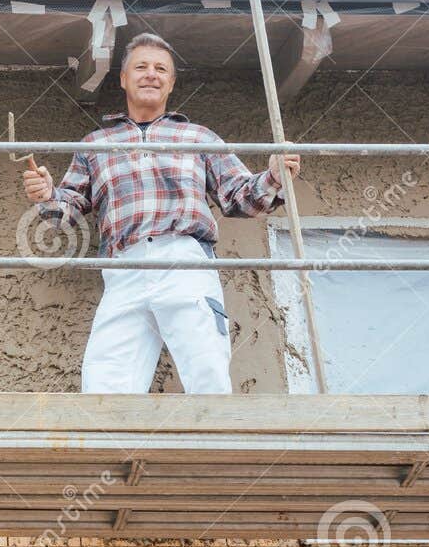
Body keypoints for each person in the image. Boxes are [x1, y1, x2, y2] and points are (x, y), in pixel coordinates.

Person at [23, 31, 301, 394]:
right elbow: (68, 208)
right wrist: (48, 195)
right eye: (140, 66)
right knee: (105, 385)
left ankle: (213, 448)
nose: (150, 74)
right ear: (124, 79)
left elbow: (239, 197)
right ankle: (118, 452)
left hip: (183, 260)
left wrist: (274, 177)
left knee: (207, 372)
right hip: (123, 267)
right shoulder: (95, 144)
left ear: (170, 83)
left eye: (160, 69)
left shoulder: (198, 137)